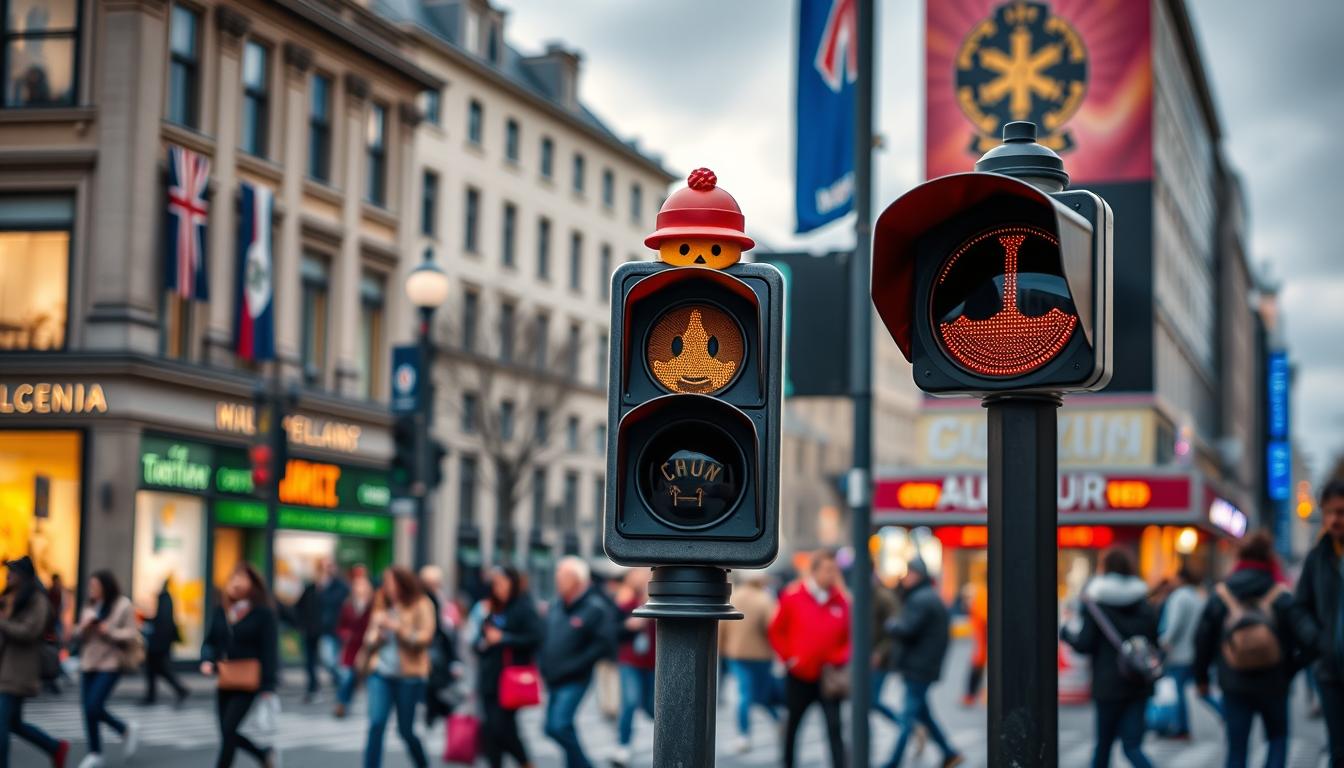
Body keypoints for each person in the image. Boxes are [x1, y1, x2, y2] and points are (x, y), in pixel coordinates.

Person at [1192, 531, 1299, 768]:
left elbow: (1202, 638)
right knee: (1278, 739)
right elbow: (1303, 638)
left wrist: (1201, 678)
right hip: (1274, 681)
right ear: (1269, 557)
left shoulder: (1222, 593)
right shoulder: (1280, 594)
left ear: (1239, 557)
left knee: (1237, 748)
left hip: (1234, 681)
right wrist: (1289, 671)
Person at [1062, 548, 1158, 768]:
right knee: (1133, 746)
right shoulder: (1144, 603)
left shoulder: (1095, 603)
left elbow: (1085, 644)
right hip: (1138, 681)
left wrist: (1066, 634)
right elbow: (1154, 641)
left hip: (1108, 684)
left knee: (1103, 746)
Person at [768, 549, 850, 768]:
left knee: (834, 727)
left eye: (835, 570)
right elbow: (777, 630)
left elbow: (850, 638)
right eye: (827, 570)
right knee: (793, 725)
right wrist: (789, 658)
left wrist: (839, 657)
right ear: (814, 572)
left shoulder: (841, 600)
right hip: (799, 675)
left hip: (828, 677)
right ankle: (787, 763)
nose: (832, 574)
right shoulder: (793, 596)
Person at [880, 559, 962, 768]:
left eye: (908, 574)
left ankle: (892, 762)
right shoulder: (929, 596)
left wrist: (890, 624)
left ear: (917, 575)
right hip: (923, 666)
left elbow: (906, 629)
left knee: (908, 719)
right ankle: (949, 752)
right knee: (923, 714)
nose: (904, 578)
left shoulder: (920, 600)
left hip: (918, 668)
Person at [539, 557, 616, 768]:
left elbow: (604, 643)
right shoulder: (556, 605)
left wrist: (577, 663)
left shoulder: (595, 607)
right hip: (554, 676)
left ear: (577, 580)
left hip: (575, 677)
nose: (557, 580)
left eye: (562, 576)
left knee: (559, 726)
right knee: (551, 728)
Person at [200, 563, 279, 768]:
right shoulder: (222, 611)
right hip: (226, 677)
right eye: (232, 578)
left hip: (249, 680)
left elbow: (270, 651)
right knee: (227, 734)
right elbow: (210, 641)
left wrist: (268, 687)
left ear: (252, 584)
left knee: (228, 730)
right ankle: (263, 755)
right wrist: (207, 660)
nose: (235, 583)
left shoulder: (263, 614)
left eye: (241, 578)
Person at [361, 566, 434, 768]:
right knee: (376, 723)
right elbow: (368, 639)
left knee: (405, 730)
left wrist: (397, 628)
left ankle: (422, 764)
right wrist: (377, 636)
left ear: (403, 583)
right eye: (385, 582)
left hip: (408, 675)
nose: (387, 586)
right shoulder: (381, 602)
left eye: (391, 582)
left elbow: (425, 638)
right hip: (381, 673)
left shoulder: (421, 604)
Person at [1, 557, 70, 768]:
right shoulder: (10, 598)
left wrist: (2, 622)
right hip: (5, 668)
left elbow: (30, 631)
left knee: (2, 726)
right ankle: (54, 747)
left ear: (23, 576)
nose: (8, 576)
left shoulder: (37, 600)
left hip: (19, 672)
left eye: (12, 572)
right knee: (14, 723)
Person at [1294, 479, 1344, 765]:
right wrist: (1317, 638)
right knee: (1339, 752)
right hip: (1330, 673)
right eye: (1330, 512)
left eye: (1341, 512)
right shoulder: (1318, 558)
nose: (1335, 519)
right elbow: (1300, 608)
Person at [474, 566, 542, 768]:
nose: (499, 588)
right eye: (496, 584)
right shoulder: (493, 609)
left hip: (509, 678)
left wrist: (504, 638)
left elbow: (535, 638)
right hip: (488, 678)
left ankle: (525, 762)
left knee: (501, 728)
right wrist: (482, 643)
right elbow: (480, 639)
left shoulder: (523, 607)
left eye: (503, 584)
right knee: (491, 732)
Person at [75, 570, 140, 768]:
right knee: (88, 709)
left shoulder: (123, 605)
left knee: (94, 705)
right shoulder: (89, 605)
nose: (91, 590)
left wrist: (109, 631)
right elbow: (76, 634)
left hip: (111, 662)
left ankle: (123, 729)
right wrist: (84, 627)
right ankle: (96, 752)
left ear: (105, 586)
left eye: (95, 586)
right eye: (90, 586)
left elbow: (132, 634)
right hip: (89, 662)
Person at [719, 570, 779, 753]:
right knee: (760, 694)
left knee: (745, 693)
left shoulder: (734, 597)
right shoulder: (765, 599)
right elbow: (773, 626)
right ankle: (778, 720)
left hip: (736, 654)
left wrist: (721, 648)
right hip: (761, 655)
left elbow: (722, 625)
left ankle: (743, 735)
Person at [610, 568, 655, 767]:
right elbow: (613, 628)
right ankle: (623, 745)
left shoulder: (658, 601)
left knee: (651, 706)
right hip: (630, 660)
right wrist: (628, 625)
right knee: (629, 701)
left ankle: (673, 738)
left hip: (653, 662)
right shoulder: (626, 601)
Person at [293, 559, 349, 703]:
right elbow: (300, 606)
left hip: (328, 631)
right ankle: (313, 689)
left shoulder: (339, 587)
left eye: (329, 567)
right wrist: (301, 624)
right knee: (310, 662)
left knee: (329, 660)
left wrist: (322, 589)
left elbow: (334, 602)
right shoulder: (311, 587)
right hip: (310, 630)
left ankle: (344, 682)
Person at [1157, 566, 1203, 738]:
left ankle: (1181, 727)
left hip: (1178, 653)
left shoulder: (1179, 597)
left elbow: (1174, 624)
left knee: (1177, 691)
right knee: (1197, 689)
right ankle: (1223, 712)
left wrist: (1165, 642)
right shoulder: (1196, 596)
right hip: (1194, 651)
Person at [141, 579, 189, 707]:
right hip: (161, 642)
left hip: (159, 643)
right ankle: (175, 690)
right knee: (156, 669)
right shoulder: (167, 599)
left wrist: (147, 620)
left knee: (158, 669)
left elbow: (162, 621)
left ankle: (179, 690)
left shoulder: (164, 598)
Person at [333, 570, 374, 719]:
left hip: (367, 647)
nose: (359, 589)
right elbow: (340, 625)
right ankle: (342, 703)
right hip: (350, 647)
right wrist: (344, 634)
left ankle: (349, 702)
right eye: (357, 586)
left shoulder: (373, 605)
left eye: (362, 586)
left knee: (359, 677)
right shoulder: (348, 605)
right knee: (347, 676)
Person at [871, 577, 903, 722]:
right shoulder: (863, 594)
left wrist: (881, 652)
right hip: (867, 656)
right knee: (866, 701)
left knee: (871, 700)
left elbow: (895, 629)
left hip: (880, 658)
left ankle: (907, 725)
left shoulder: (884, 598)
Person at [961, 569, 988, 708]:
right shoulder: (983, 593)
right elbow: (984, 617)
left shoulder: (981, 591)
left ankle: (971, 695)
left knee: (977, 665)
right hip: (982, 638)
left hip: (981, 638)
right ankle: (970, 695)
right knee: (977, 665)